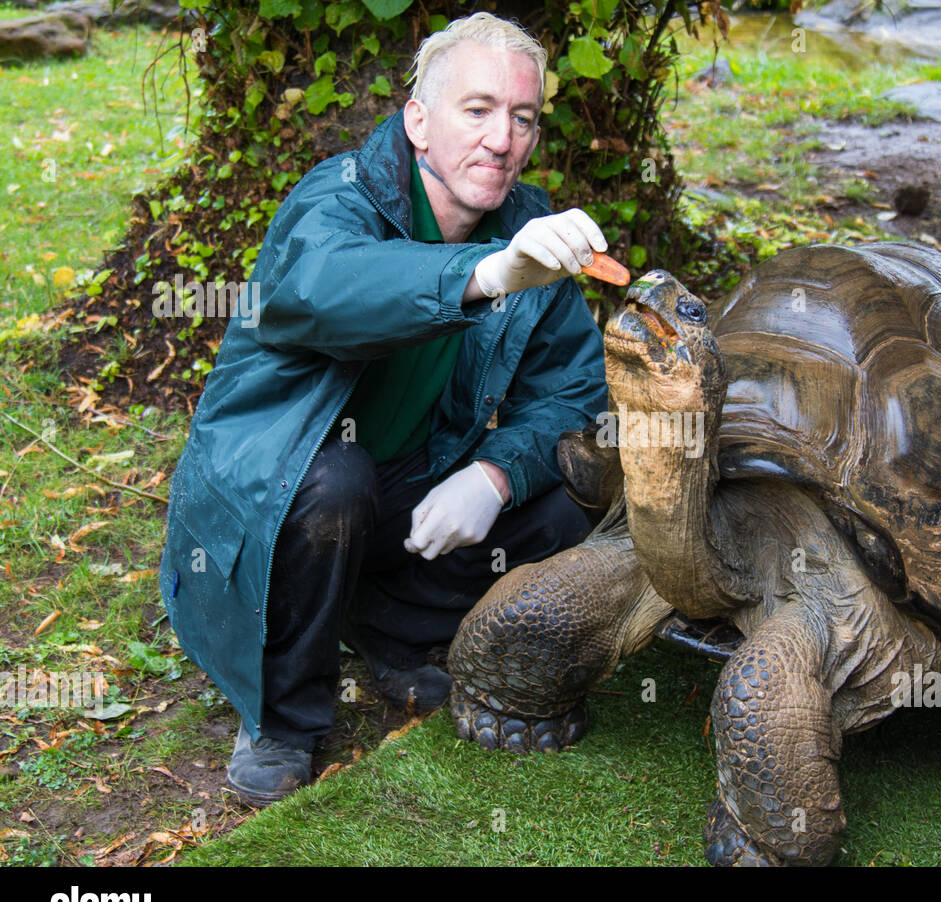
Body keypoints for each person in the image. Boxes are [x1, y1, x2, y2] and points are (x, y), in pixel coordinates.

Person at [159, 12, 610, 806]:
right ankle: (283, 718)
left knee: (566, 500)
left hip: (413, 475)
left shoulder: (527, 226)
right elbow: (326, 287)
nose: (502, 139)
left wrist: (495, 476)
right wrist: (490, 273)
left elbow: (572, 395)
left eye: (523, 117)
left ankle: (393, 628)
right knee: (334, 485)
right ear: (418, 120)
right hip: (288, 479)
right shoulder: (339, 199)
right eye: (477, 110)